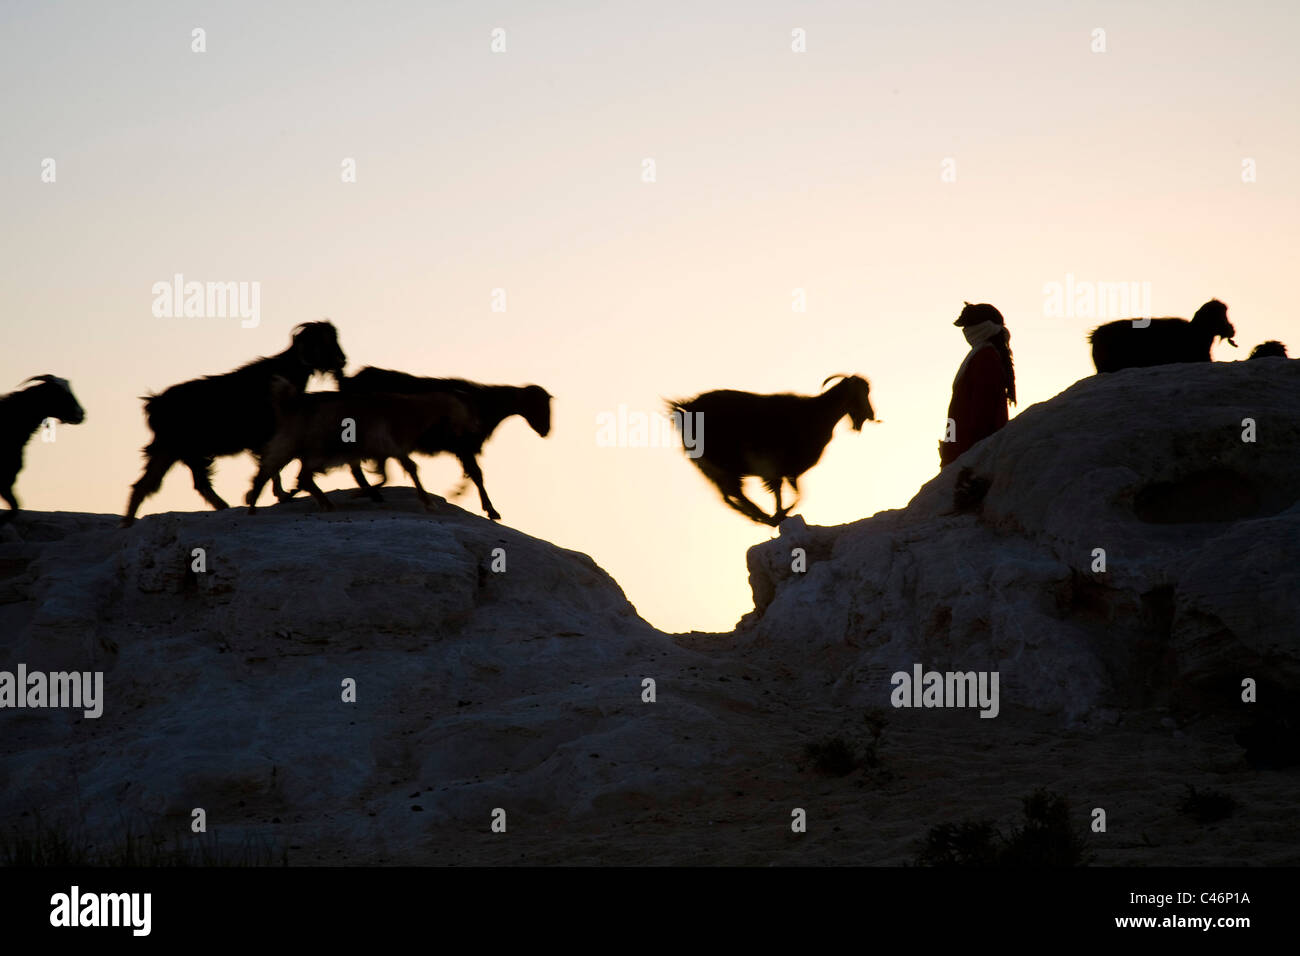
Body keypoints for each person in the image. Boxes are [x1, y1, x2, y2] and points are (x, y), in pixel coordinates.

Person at [939, 302, 1016, 467]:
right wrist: (948, 444)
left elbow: (982, 414)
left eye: (968, 326)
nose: (965, 331)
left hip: (970, 456)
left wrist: (956, 451)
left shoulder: (985, 359)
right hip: (960, 453)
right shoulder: (979, 356)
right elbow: (953, 416)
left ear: (982, 327)